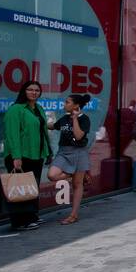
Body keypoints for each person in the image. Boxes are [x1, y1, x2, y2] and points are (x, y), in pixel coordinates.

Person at [2, 80, 50, 230]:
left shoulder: (39, 108)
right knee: (20, 188)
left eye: (37, 90)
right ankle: (19, 222)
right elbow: (12, 134)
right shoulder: (15, 109)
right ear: (24, 91)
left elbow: (43, 132)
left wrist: (48, 151)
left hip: (36, 154)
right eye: (30, 89)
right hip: (20, 156)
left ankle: (31, 216)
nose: (34, 92)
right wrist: (16, 157)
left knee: (31, 187)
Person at [46, 93, 92, 225]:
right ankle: (72, 174)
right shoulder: (64, 118)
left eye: (67, 102)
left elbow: (78, 136)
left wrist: (75, 118)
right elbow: (53, 126)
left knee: (77, 185)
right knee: (52, 175)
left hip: (79, 152)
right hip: (63, 152)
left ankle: (73, 214)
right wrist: (39, 122)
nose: (64, 104)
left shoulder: (84, 119)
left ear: (76, 105)